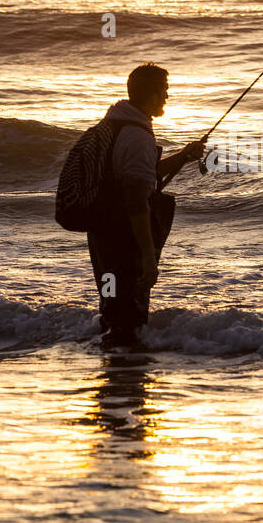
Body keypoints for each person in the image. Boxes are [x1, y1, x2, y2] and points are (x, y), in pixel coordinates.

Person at [88, 63, 204, 348]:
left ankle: (115, 372)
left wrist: (183, 157)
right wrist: (149, 256)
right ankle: (125, 378)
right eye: (164, 90)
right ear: (151, 95)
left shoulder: (113, 126)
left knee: (113, 304)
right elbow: (136, 199)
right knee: (129, 314)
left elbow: (141, 172)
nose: (167, 96)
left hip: (101, 231)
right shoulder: (137, 137)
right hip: (123, 237)